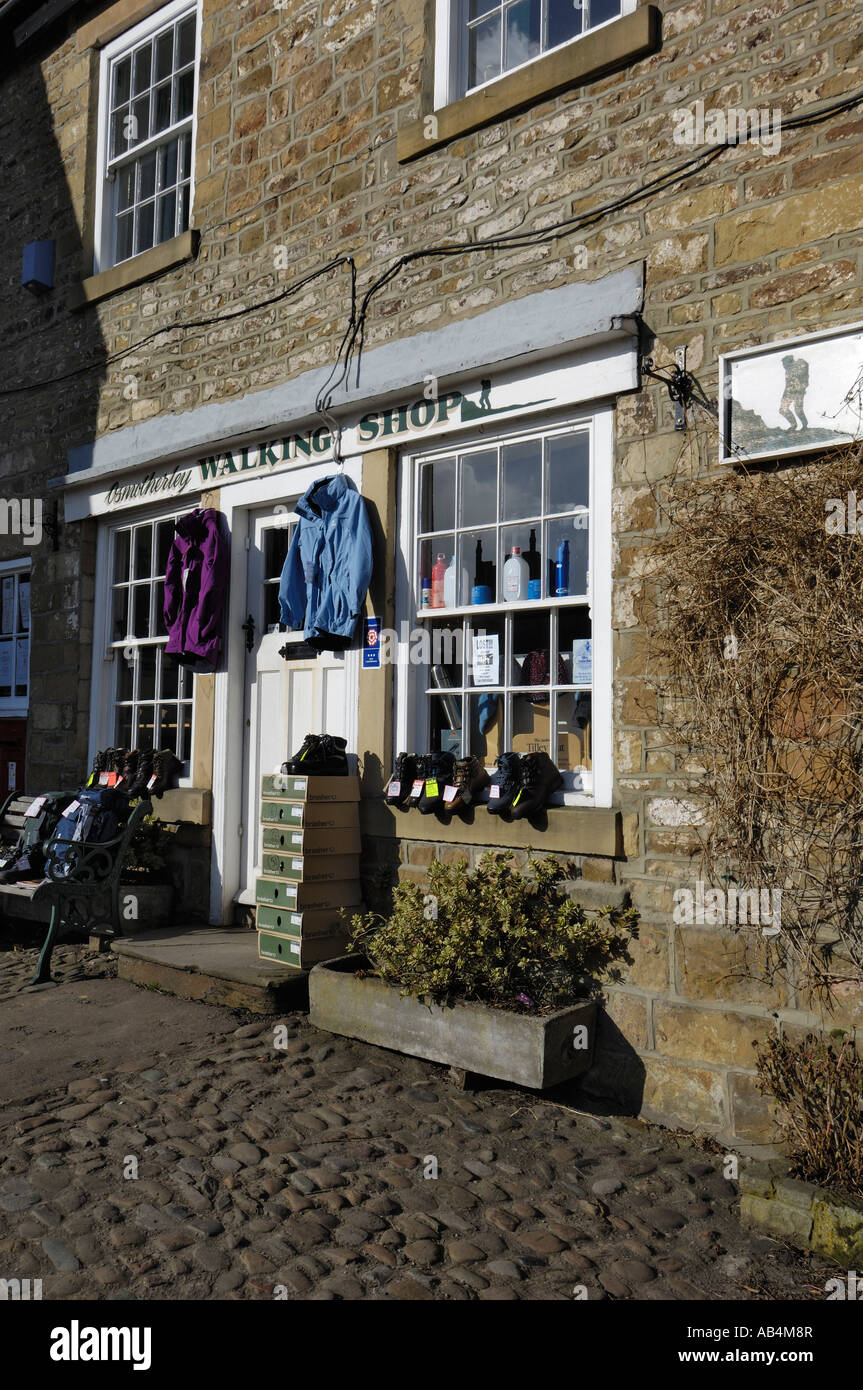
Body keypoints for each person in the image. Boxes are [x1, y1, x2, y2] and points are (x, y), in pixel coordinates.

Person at [779, 354, 809, 430]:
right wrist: (784, 395)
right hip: (789, 392)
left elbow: (803, 374)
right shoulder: (787, 371)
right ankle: (793, 424)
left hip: (798, 391)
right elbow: (788, 383)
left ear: (789, 362)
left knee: (798, 410)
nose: (783, 366)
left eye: (784, 364)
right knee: (783, 409)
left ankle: (804, 425)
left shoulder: (801, 364)